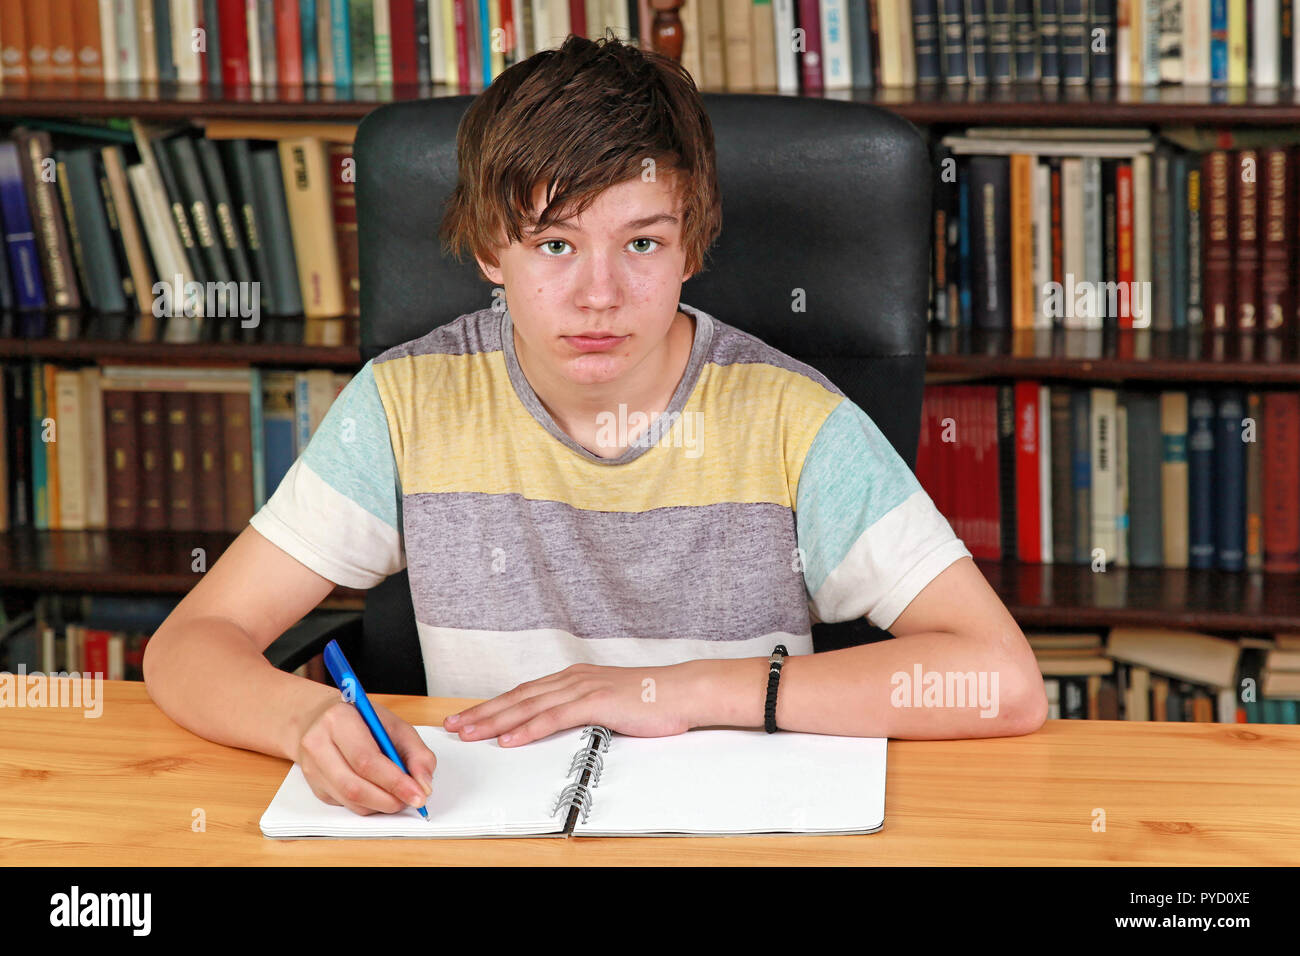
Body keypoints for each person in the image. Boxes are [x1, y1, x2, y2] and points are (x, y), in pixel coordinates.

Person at [143, 32, 1047, 819]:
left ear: (693, 243)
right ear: (491, 247)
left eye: (642, 243)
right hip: (485, 825)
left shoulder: (792, 418)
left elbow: (1000, 681)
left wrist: (672, 692)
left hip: (732, 832)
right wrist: (302, 720)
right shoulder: (406, 405)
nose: (599, 294)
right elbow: (190, 645)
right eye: (554, 244)